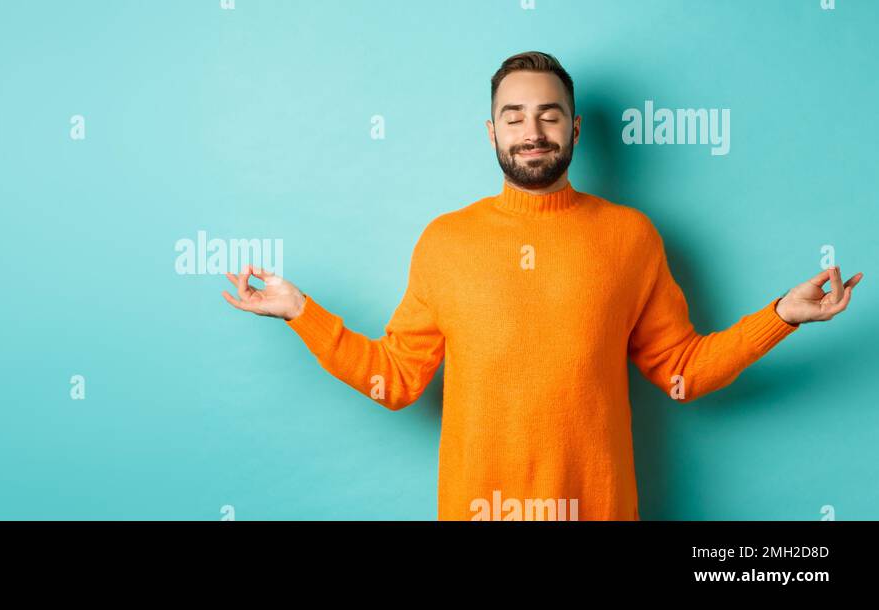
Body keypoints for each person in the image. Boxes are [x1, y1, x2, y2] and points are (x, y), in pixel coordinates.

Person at [221, 51, 862, 521]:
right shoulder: (446, 241)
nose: (532, 132)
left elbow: (683, 372)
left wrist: (782, 315)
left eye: (550, 116)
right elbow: (397, 379)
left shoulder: (631, 237)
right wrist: (298, 311)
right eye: (515, 116)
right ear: (492, 131)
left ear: (575, 130)